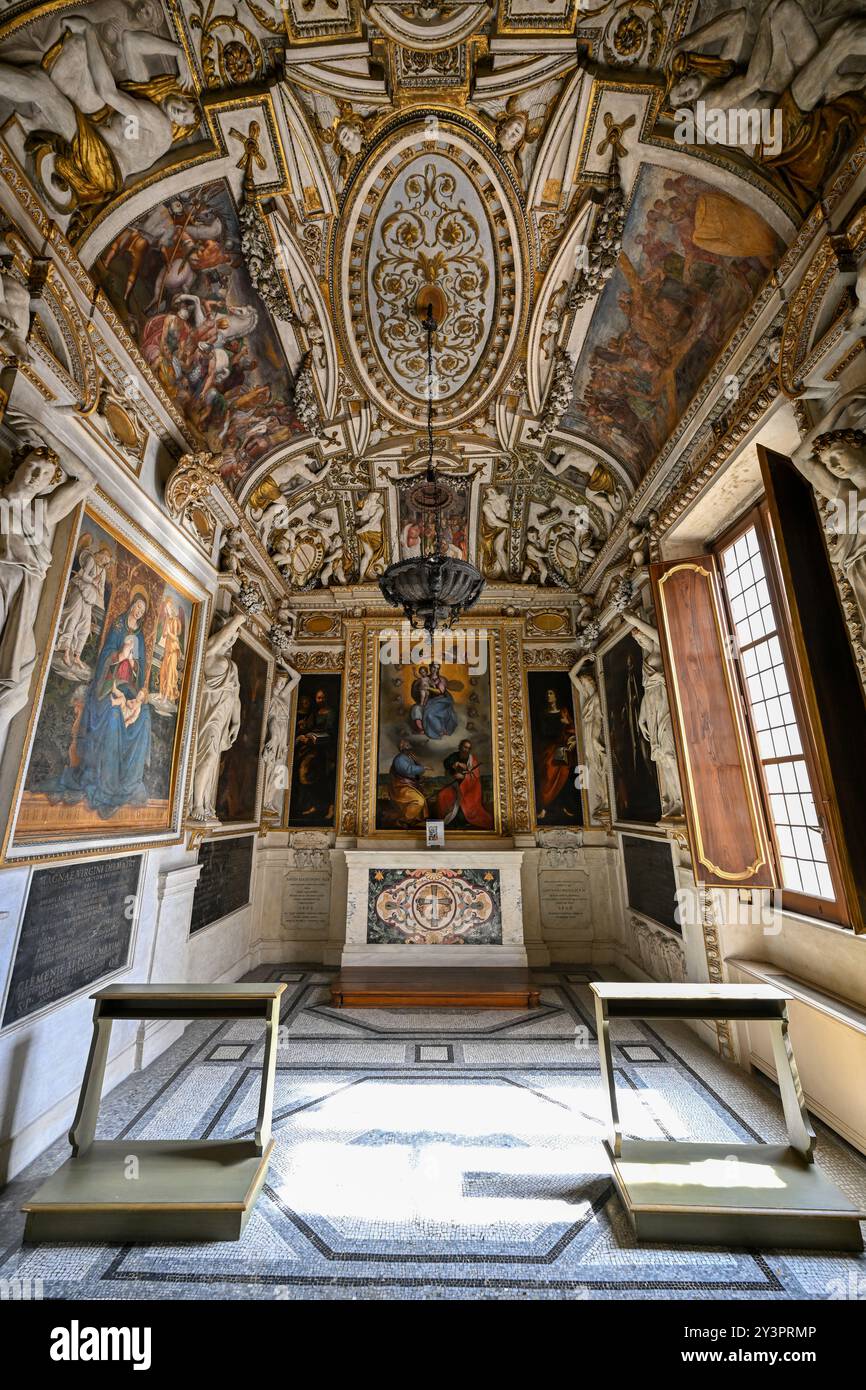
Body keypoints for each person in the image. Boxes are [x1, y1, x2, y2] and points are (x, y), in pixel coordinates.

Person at [50, 593, 154, 818]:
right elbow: (105, 655)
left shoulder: (140, 637)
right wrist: (120, 655)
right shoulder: (118, 624)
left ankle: (130, 780)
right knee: (113, 713)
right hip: (108, 684)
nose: (138, 611)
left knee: (145, 716)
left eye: (142, 610)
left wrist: (137, 678)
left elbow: (142, 669)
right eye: (137, 606)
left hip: (129, 689)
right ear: (131, 605)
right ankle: (106, 782)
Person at [534, 687, 579, 822]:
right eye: (547, 693)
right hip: (549, 748)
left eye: (551, 693)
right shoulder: (543, 714)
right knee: (548, 776)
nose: (548, 695)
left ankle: (564, 806)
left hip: (561, 748)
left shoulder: (563, 712)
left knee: (563, 776)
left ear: (556, 696)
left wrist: (567, 724)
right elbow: (544, 732)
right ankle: (544, 807)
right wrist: (561, 725)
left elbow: (572, 729)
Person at [435, 739, 494, 830]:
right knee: (442, 795)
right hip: (454, 786)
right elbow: (446, 763)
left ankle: (458, 823)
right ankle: (444, 820)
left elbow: (475, 776)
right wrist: (454, 764)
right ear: (460, 747)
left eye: (468, 748)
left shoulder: (472, 760)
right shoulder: (454, 756)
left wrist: (463, 777)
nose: (466, 750)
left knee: (462, 811)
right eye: (465, 747)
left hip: (468, 790)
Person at [384, 739, 429, 827]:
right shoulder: (400, 759)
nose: (410, 748)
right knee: (419, 801)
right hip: (400, 787)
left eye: (409, 746)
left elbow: (415, 773)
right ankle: (403, 820)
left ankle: (414, 820)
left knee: (421, 799)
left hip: (408, 785)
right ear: (402, 748)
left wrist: (419, 775)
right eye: (407, 746)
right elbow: (407, 770)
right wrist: (422, 768)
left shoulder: (409, 757)